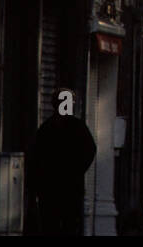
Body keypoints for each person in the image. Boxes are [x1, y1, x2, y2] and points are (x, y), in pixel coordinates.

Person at [29, 89, 97, 236]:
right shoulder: (78, 127)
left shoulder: (46, 128)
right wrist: (76, 170)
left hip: (49, 189)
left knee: (50, 227)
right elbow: (90, 150)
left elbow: (35, 158)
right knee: (70, 227)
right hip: (71, 188)